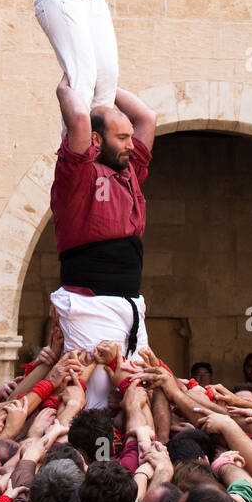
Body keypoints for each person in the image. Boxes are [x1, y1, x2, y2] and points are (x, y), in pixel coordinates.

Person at [48, 77, 156, 409]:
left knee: (136, 394)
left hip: (130, 303)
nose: (129, 144)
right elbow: (79, 120)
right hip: (90, 303)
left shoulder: (129, 172)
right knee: (94, 399)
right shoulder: (77, 177)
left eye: (128, 138)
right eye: (121, 138)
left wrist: (105, 82)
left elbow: (146, 119)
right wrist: (72, 83)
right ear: (97, 140)